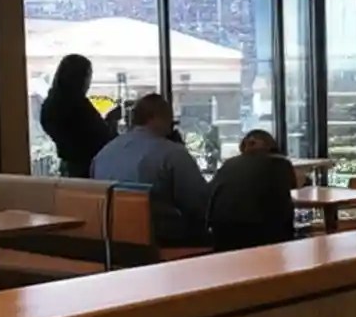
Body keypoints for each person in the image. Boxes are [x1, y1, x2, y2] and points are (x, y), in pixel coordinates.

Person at [91, 93, 210, 246]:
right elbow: (199, 203)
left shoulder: (104, 153)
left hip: (113, 242)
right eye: (171, 121)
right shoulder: (172, 153)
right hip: (162, 243)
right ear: (157, 118)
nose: (171, 127)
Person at [207, 129, 296, 251]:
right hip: (265, 237)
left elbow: (211, 194)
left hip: (222, 236)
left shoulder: (229, 165)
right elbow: (291, 190)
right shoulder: (281, 164)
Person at [39, 54, 117, 178]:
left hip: (69, 167)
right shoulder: (77, 105)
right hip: (86, 168)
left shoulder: (51, 103)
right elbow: (100, 137)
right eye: (88, 76)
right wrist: (111, 122)